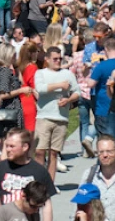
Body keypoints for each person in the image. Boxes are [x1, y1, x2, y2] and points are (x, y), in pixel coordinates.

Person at [31, 48, 77, 183]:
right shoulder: (40, 73)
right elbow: (40, 89)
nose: (58, 61)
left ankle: (50, 184)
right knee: (39, 151)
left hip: (61, 118)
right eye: (55, 59)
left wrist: (68, 100)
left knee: (54, 153)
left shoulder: (68, 74)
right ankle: (39, 184)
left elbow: (77, 92)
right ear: (47, 59)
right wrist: (60, 85)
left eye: (59, 59)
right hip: (44, 117)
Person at [0, 130, 52, 213]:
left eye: (12, 146)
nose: (8, 149)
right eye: (7, 146)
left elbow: (46, 203)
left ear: (25, 147)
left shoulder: (39, 171)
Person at [78, 136, 115, 221]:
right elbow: (78, 209)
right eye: (101, 152)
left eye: (109, 151)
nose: (105, 155)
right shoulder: (88, 177)